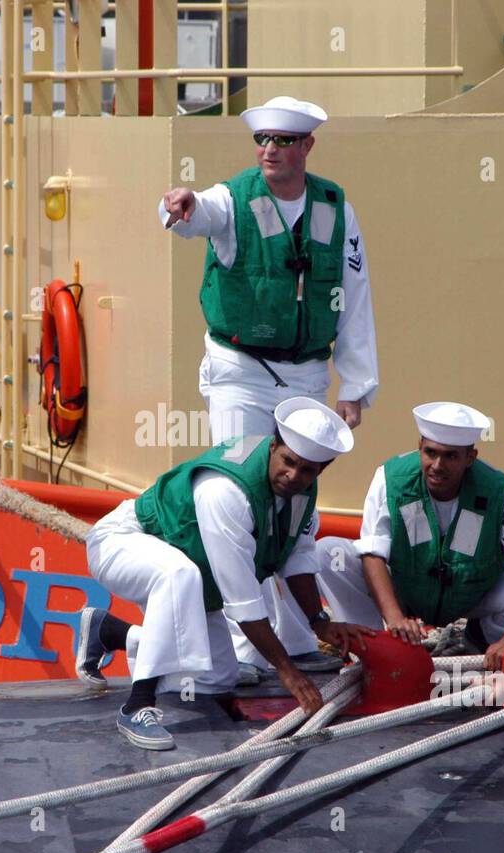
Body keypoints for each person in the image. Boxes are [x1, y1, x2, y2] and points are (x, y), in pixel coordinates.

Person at [159, 95, 380, 681]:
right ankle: (242, 645)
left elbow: (353, 299)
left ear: (307, 146)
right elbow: (200, 213)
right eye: (264, 141)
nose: (271, 151)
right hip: (239, 372)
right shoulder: (232, 199)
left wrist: (354, 387)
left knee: (297, 501)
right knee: (243, 491)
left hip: (306, 370)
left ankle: (285, 630)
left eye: (284, 142)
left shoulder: (336, 209)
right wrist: (182, 205)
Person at [77, 398, 372, 750]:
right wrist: (287, 671)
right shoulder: (225, 491)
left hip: (192, 579)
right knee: (177, 573)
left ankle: (110, 631)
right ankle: (137, 706)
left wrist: (319, 621)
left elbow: (298, 557)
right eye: (289, 462)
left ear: (322, 469)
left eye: (308, 470)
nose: (294, 475)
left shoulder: (300, 493)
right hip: (126, 541)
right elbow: (242, 600)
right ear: (273, 444)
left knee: (216, 678)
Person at [317, 402, 504, 665]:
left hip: (471, 594)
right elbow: (372, 552)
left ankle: (482, 645)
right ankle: (371, 646)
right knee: (330, 553)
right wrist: (395, 618)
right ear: (420, 447)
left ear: (470, 457)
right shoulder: (391, 479)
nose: (437, 465)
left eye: (450, 456)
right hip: (404, 587)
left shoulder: (496, 491)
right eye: (430, 453)